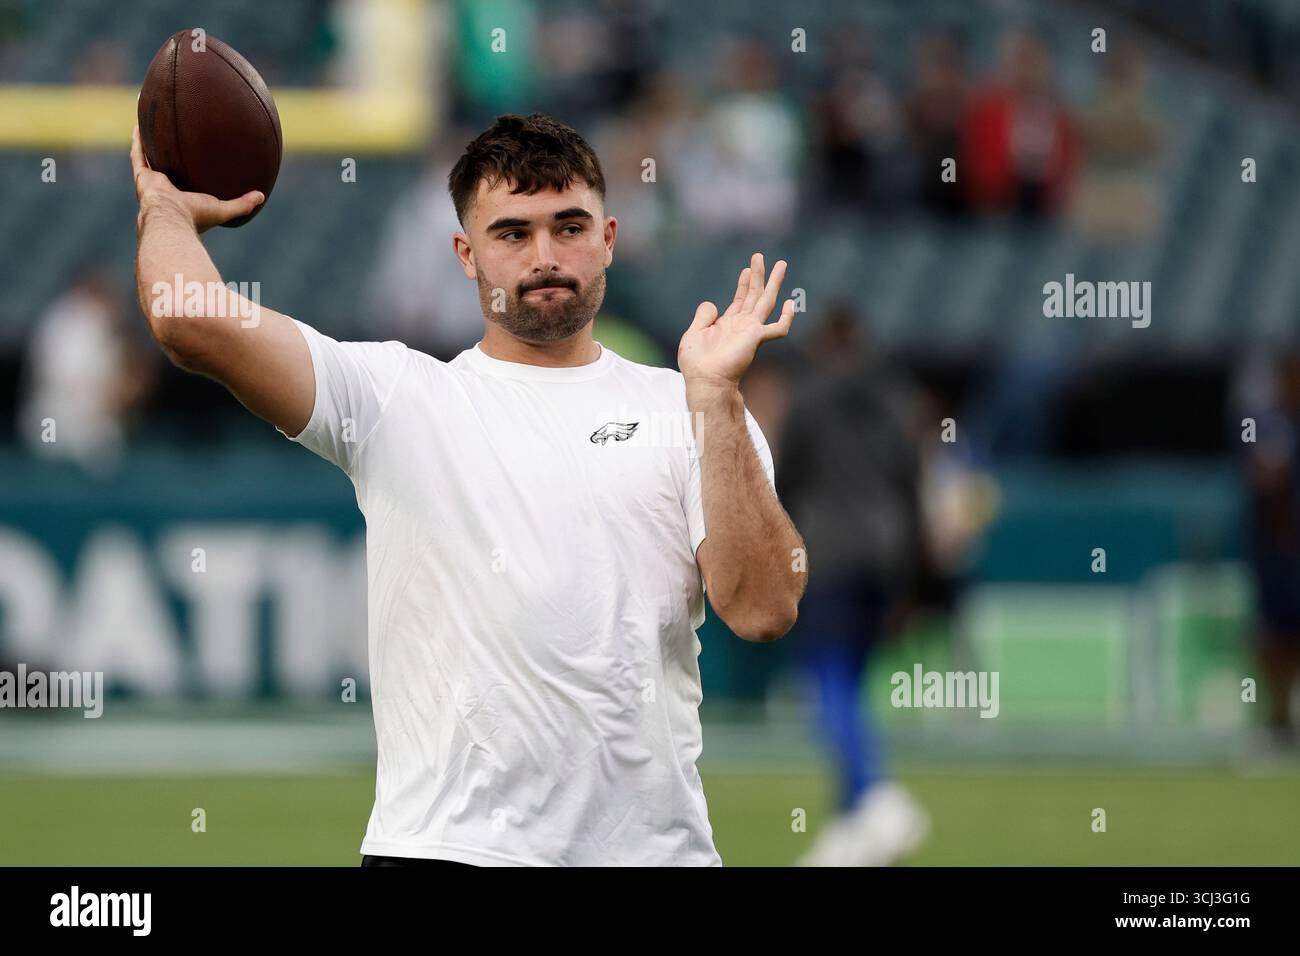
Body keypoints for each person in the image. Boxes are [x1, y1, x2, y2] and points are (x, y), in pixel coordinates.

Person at [131, 112, 806, 866]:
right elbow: (186, 318)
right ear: (465, 254)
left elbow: (764, 609)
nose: (545, 256)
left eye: (570, 226)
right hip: (450, 851)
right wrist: (165, 209)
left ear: (609, 239)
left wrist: (716, 397)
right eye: (512, 233)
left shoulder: (692, 405)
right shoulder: (397, 397)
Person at [774, 306, 930, 867]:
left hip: (828, 554)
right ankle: (849, 826)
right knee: (854, 685)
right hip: (885, 556)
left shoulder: (807, 397)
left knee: (829, 681)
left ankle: (876, 793)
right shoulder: (896, 397)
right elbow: (913, 492)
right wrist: (914, 580)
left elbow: (785, 484)